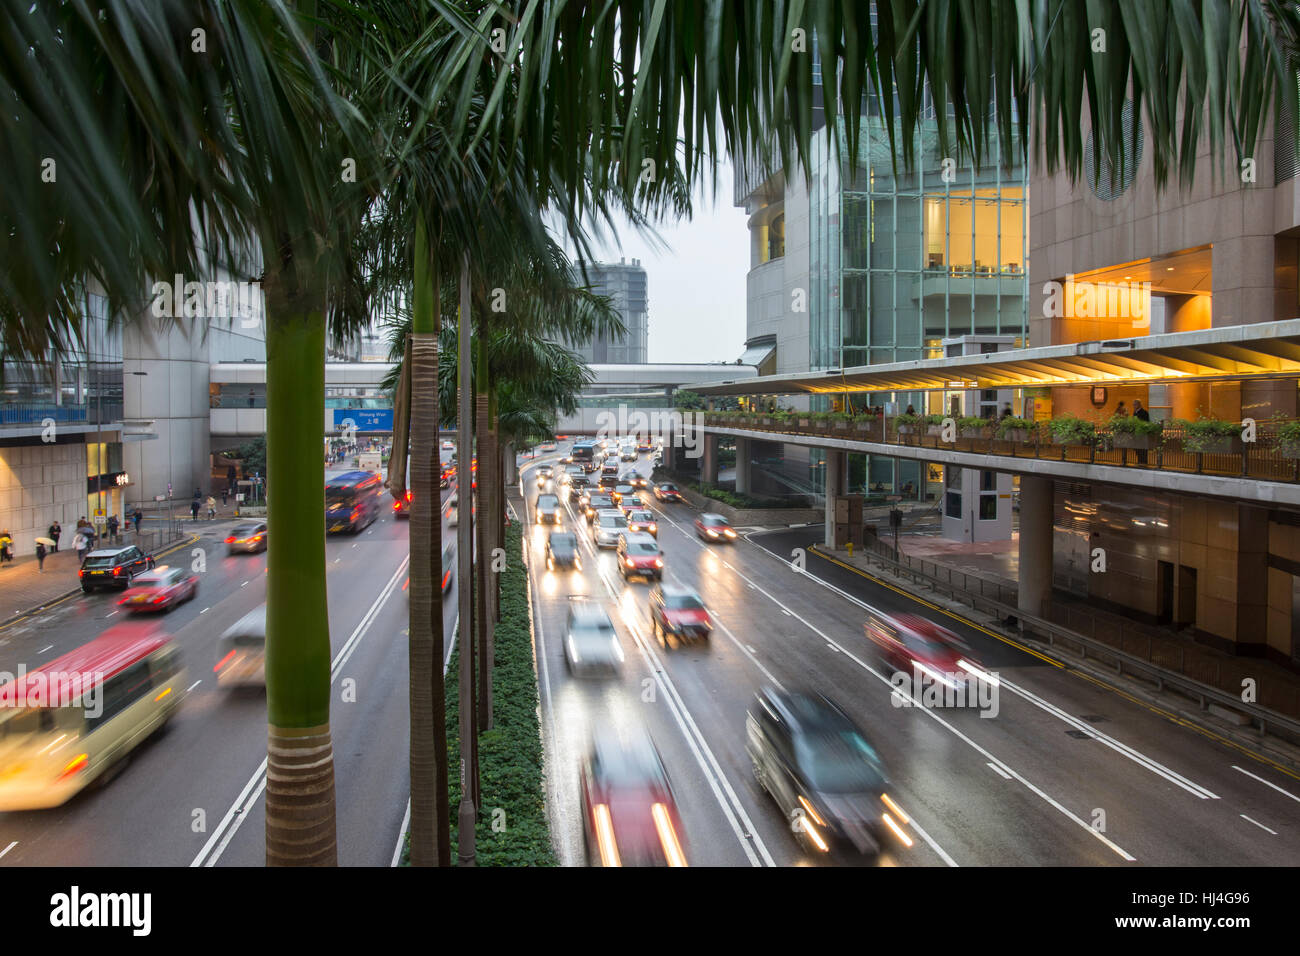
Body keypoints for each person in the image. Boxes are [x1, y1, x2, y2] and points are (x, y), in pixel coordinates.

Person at [1133, 399, 1151, 465]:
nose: (1133, 406)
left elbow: (1147, 422)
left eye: (1135, 404)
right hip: (1137, 433)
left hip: (1142, 434)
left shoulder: (1144, 412)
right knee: (1138, 449)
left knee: (1143, 448)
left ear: (1139, 404)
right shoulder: (1135, 412)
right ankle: (1139, 461)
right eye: (1133, 404)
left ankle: (1143, 462)